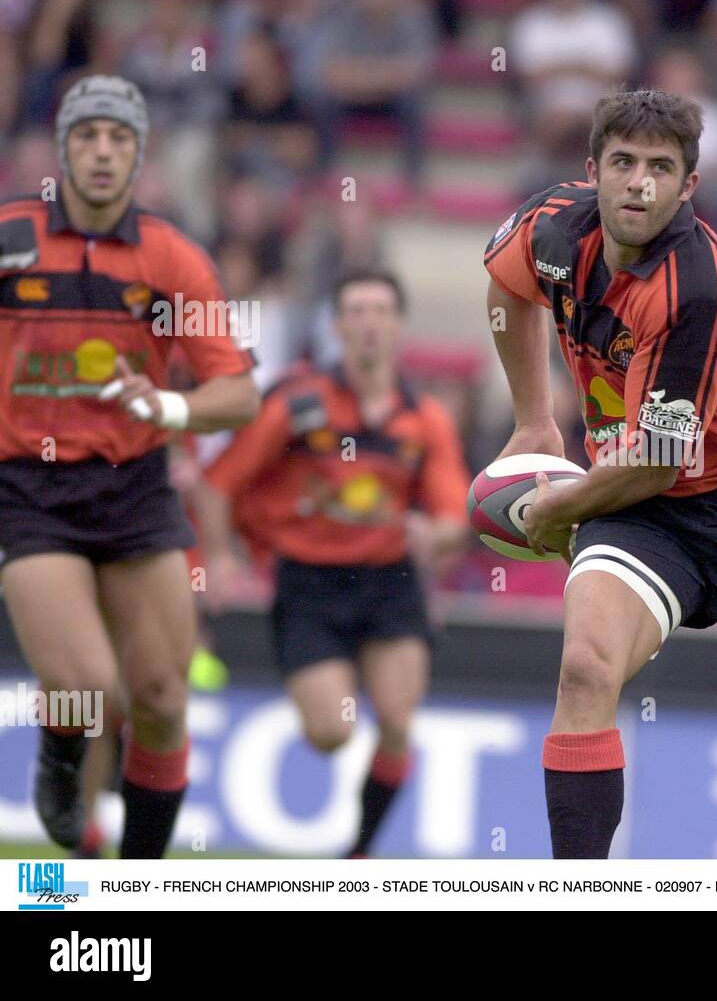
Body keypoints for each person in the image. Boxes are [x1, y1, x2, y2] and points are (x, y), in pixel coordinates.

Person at [483, 88, 717, 860]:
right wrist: (533, 421)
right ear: (593, 170)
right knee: (586, 668)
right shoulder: (553, 225)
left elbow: (656, 458)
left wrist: (559, 509)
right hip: (645, 514)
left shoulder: (699, 287)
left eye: (661, 168)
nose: (638, 183)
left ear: (689, 186)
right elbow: (507, 291)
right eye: (623, 162)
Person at [0, 75, 259, 858]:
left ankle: (137, 887)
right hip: (29, 491)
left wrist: (171, 408)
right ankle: (60, 754)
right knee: (88, 690)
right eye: (88, 137)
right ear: (63, 149)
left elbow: (238, 391)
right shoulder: (9, 237)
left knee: (160, 697)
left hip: (136, 488)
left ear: (140, 153)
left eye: (119, 138)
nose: (104, 153)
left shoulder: (173, 257)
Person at [194, 270, 470, 858]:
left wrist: (433, 533)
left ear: (399, 326)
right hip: (309, 584)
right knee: (331, 732)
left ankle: (358, 859)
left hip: (390, 583)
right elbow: (216, 484)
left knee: (397, 721)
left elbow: (454, 516)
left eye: (381, 311)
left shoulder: (426, 419)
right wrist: (218, 555)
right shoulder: (299, 403)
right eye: (357, 312)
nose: (369, 323)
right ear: (338, 326)